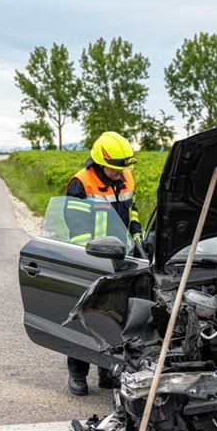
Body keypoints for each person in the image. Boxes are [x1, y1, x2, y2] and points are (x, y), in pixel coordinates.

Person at [63, 131, 142, 396]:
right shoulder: (81, 183)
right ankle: (77, 373)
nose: (121, 173)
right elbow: (77, 228)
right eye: (115, 168)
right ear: (99, 162)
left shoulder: (125, 176)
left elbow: (132, 210)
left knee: (116, 318)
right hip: (92, 258)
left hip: (122, 258)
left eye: (123, 168)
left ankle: (108, 371)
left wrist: (138, 234)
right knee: (85, 319)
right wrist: (95, 253)